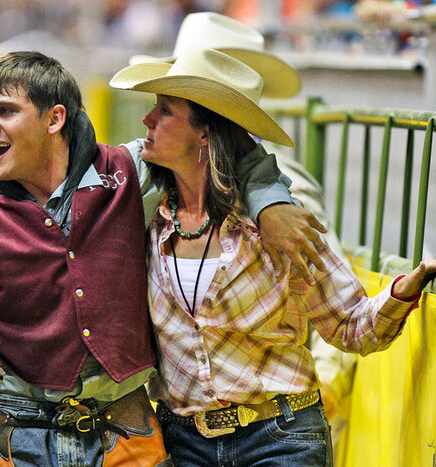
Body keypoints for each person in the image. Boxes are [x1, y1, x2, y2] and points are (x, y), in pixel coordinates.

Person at [0, 50, 329, 466]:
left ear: (55, 118)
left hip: (126, 431)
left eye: (5, 111)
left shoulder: (130, 172)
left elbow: (233, 150)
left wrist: (271, 205)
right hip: (19, 433)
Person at [109, 45, 436, 465]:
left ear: (205, 132)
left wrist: (402, 292)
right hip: (184, 441)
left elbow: (349, 324)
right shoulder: (149, 223)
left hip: (280, 437)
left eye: (166, 110)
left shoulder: (275, 227)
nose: (147, 120)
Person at [132, 10, 359, 446]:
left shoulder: (282, 192)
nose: (152, 117)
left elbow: (323, 285)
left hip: (270, 411)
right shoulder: (157, 177)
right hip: (197, 422)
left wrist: (327, 383)